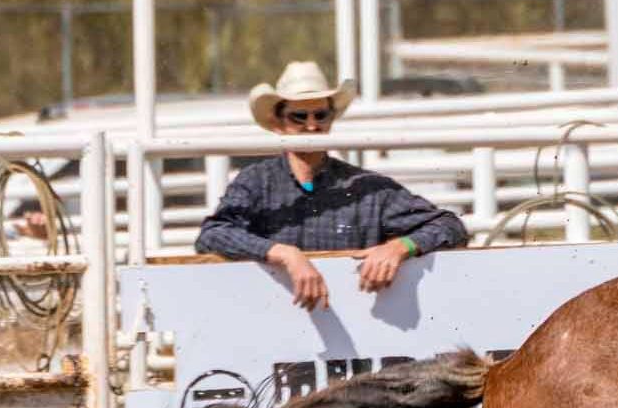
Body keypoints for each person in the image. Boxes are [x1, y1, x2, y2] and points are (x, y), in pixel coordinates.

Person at [194, 61, 470, 311]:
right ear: (279, 123)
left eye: (321, 115)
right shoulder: (256, 182)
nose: (312, 125)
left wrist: (399, 247)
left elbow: (450, 226)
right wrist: (285, 254)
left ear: (331, 119)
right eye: (299, 116)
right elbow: (212, 235)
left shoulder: (366, 188)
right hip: (277, 320)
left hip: (353, 324)